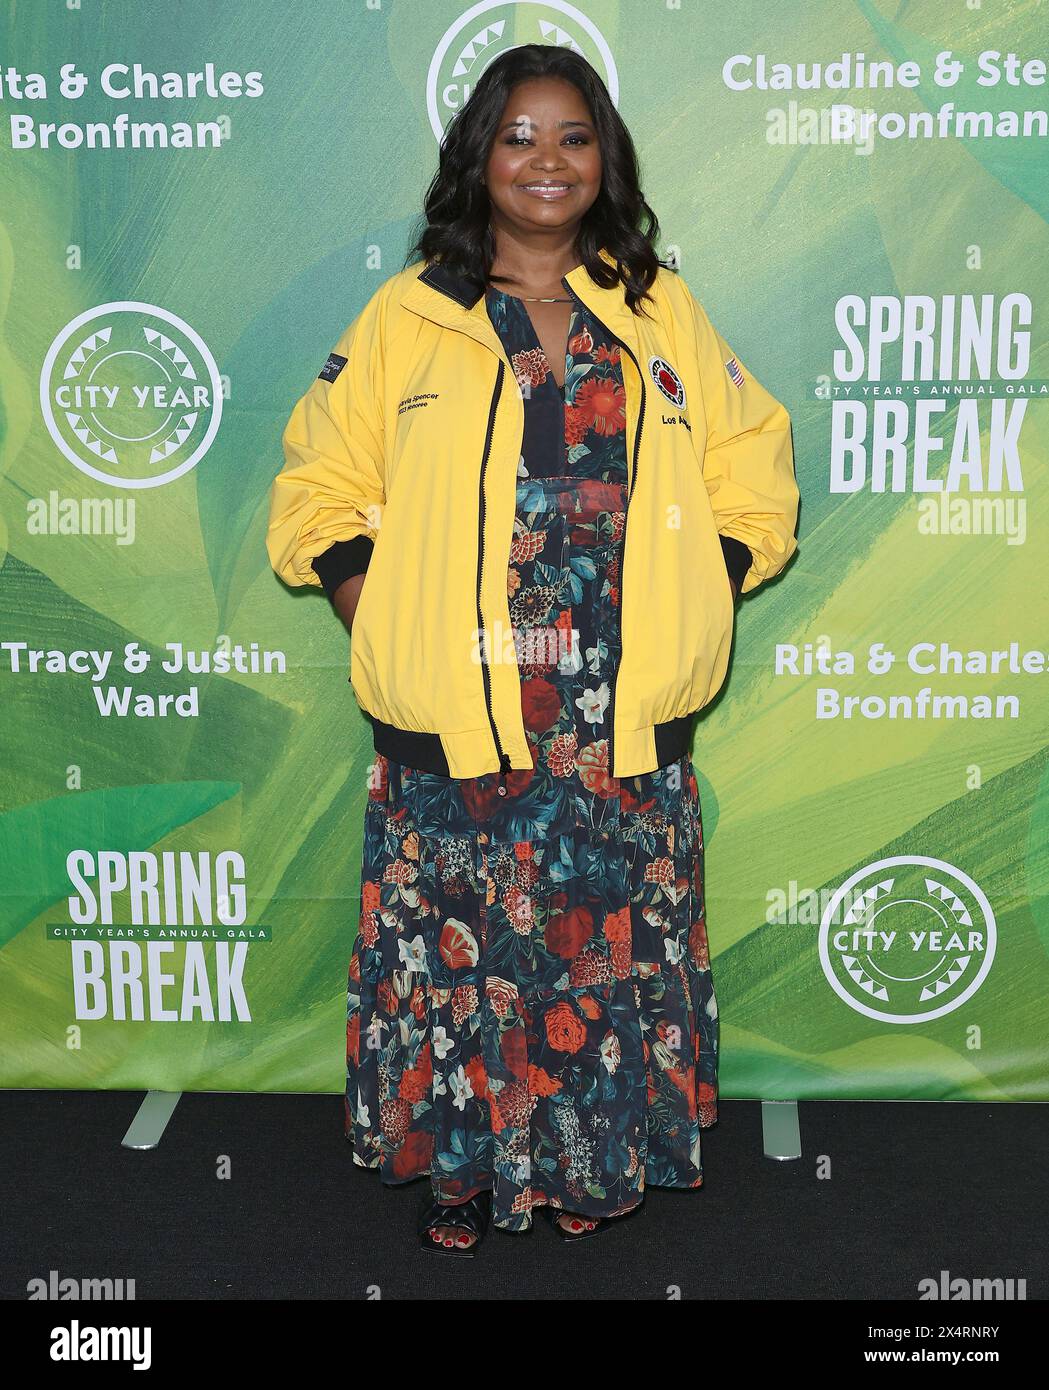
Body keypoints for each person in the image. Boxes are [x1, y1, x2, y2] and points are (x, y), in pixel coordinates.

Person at [266, 43, 799, 1255]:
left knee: (598, 950)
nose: (546, 160)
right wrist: (368, 599)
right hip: (459, 694)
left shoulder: (656, 305)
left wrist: (702, 585)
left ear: (603, 156)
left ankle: (583, 1162)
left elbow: (751, 463)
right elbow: (317, 481)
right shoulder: (411, 314)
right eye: (518, 136)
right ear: (478, 160)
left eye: (571, 136)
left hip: (615, 705)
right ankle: (460, 1166)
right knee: (460, 945)